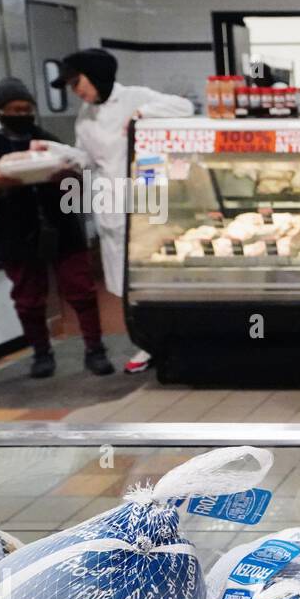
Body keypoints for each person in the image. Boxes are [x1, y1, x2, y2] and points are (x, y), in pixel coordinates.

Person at [53, 48, 195, 374]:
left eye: (79, 82)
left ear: (98, 74)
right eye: (72, 85)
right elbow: (86, 158)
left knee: (151, 270)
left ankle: (168, 339)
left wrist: (144, 113)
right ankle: (143, 343)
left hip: (147, 200)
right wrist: (57, 156)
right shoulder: (85, 115)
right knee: (121, 281)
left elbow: (184, 107)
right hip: (111, 204)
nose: (77, 91)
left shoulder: (134, 96)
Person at [0, 78, 113, 378]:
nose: (21, 114)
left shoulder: (49, 141)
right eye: (13, 109)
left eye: (26, 109)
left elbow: (78, 192)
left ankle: (95, 351)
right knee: (28, 300)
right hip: (16, 235)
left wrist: (68, 182)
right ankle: (41, 354)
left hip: (64, 232)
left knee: (82, 293)